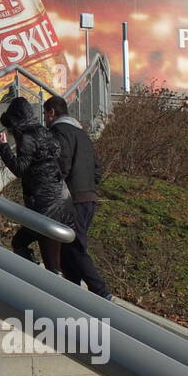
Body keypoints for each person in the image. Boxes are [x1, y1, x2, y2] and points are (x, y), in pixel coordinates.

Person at [0, 96, 75, 274]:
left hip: (46, 207)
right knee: (20, 242)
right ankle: (37, 279)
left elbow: (20, 168)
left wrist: (4, 147)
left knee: (52, 264)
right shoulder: (44, 131)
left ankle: (48, 291)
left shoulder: (27, 136)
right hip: (61, 200)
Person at [43, 96, 112, 300]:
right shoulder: (82, 134)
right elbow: (97, 168)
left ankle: (101, 292)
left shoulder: (58, 132)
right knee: (66, 250)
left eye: (46, 114)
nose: (45, 119)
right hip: (89, 197)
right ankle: (73, 295)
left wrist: (58, 188)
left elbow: (61, 164)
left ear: (52, 113)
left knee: (73, 246)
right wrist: (88, 186)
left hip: (72, 199)